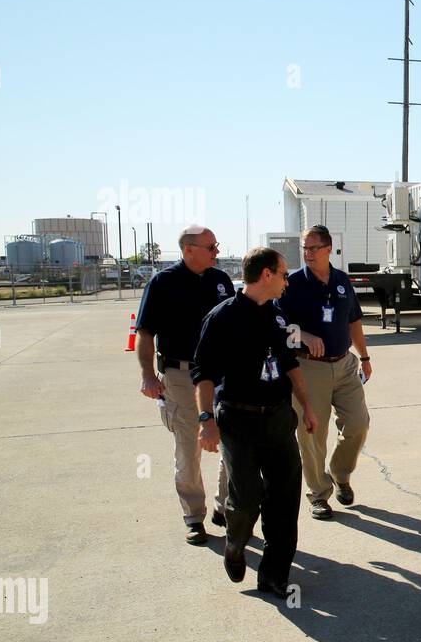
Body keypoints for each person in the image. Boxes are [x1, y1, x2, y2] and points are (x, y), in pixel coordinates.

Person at [192, 248, 319, 599]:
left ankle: (274, 575)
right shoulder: (221, 318)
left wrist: (307, 406)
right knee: (246, 496)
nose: (287, 281)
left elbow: (290, 364)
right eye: (283, 274)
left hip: (278, 417)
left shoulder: (277, 316)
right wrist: (206, 420)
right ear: (266, 275)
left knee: (284, 499)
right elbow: (202, 373)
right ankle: (235, 543)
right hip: (238, 419)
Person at [135, 226, 234, 545]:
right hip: (181, 376)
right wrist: (148, 375)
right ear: (189, 249)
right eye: (211, 247)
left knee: (233, 441)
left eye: (216, 246)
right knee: (189, 448)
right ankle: (194, 516)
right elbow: (145, 333)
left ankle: (225, 507)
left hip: (222, 374)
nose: (216, 252)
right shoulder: (163, 283)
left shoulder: (221, 281)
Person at [277, 225, 371, 521]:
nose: (307, 254)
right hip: (307, 368)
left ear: (329, 249)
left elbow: (354, 321)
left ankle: (340, 474)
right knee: (312, 433)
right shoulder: (291, 284)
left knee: (358, 424)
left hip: (345, 364)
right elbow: (277, 325)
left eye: (313, 248)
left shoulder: (342, 281)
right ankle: (318, 494)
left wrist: (365, 356)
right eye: (304, 248)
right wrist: (303, 335)